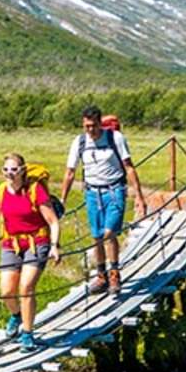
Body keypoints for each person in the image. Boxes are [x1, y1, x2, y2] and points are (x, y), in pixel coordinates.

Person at [0, 154, 62, 351]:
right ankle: (16, 315)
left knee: (26, 287)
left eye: (14, 169)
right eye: (6, 170)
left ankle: (27, 334)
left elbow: (53, 221)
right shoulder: (0, 192)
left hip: (38, 242)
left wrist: (54, 245)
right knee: (7, 291)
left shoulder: (35, 190)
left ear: (22, 170)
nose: (10, 173)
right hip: (11, 243)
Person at [59, 105, 144, 295]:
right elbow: (70, 172)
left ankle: (114, 274)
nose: (90, 130)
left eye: (94, 126)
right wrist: (62, 200)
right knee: (96, 236)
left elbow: (129, 167)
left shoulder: (115, 138)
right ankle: (101, 276)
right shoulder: (79, 142)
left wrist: (138, 196)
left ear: (100, 123)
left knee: (109, 233)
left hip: (114, 191)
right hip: (92, 193)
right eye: (87, 126)